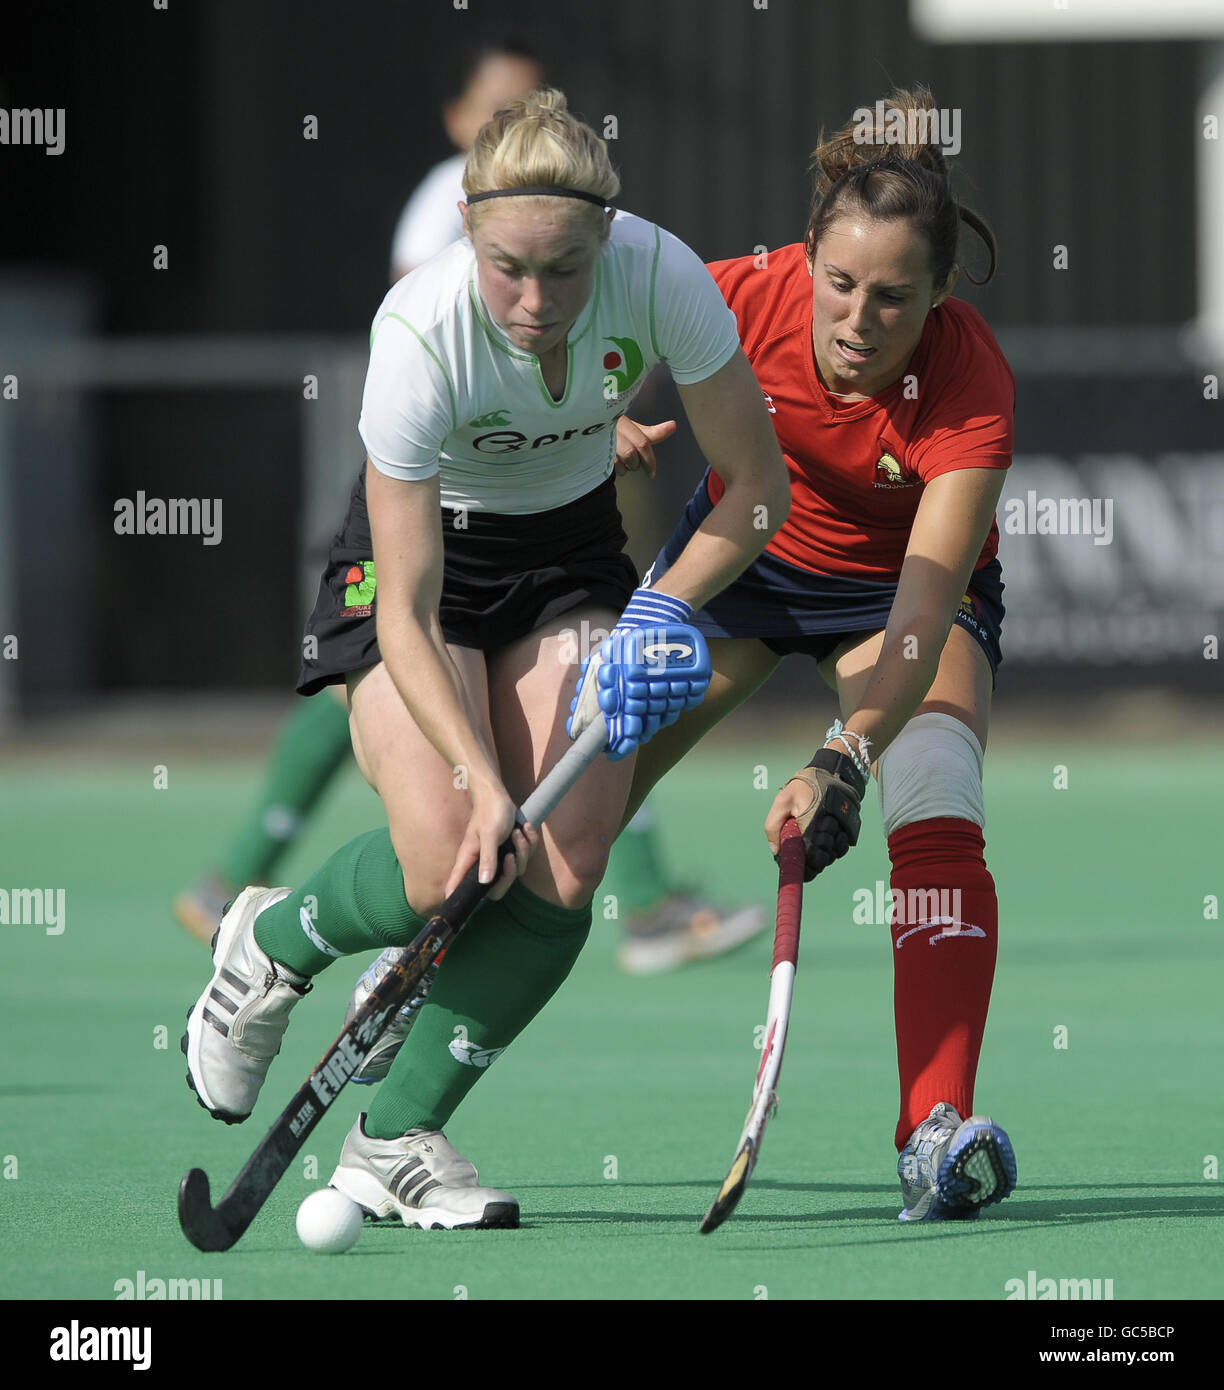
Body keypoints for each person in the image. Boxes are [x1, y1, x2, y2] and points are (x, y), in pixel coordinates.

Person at [360, 81, 1019, 1223]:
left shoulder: (969, 381)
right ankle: (419, 997)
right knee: (560, 818)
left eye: (895, 298)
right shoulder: (743, 294)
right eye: (843, 284)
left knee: (934, 789)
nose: (859, 319)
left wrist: (846, 754)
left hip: (892, 600)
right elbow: (605, 340)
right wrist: (592, 421)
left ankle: (934, 1128)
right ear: (807, 255)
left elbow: (925, 599)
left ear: (942, 294)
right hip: (735, 575)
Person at [181, 89, 791, 1231]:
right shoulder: (418, 335)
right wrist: (482, 775)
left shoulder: (663, 278)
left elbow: (761, 486)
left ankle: (396, 1136)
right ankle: (266, 943)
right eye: (510, 265)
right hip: (420, 572)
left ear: (605, 240)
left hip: (570, 556)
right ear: (466, 225)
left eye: (564, 271)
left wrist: (662, 607)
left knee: (568, 863)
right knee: (444, 860)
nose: (536, 300)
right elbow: (405, 613)